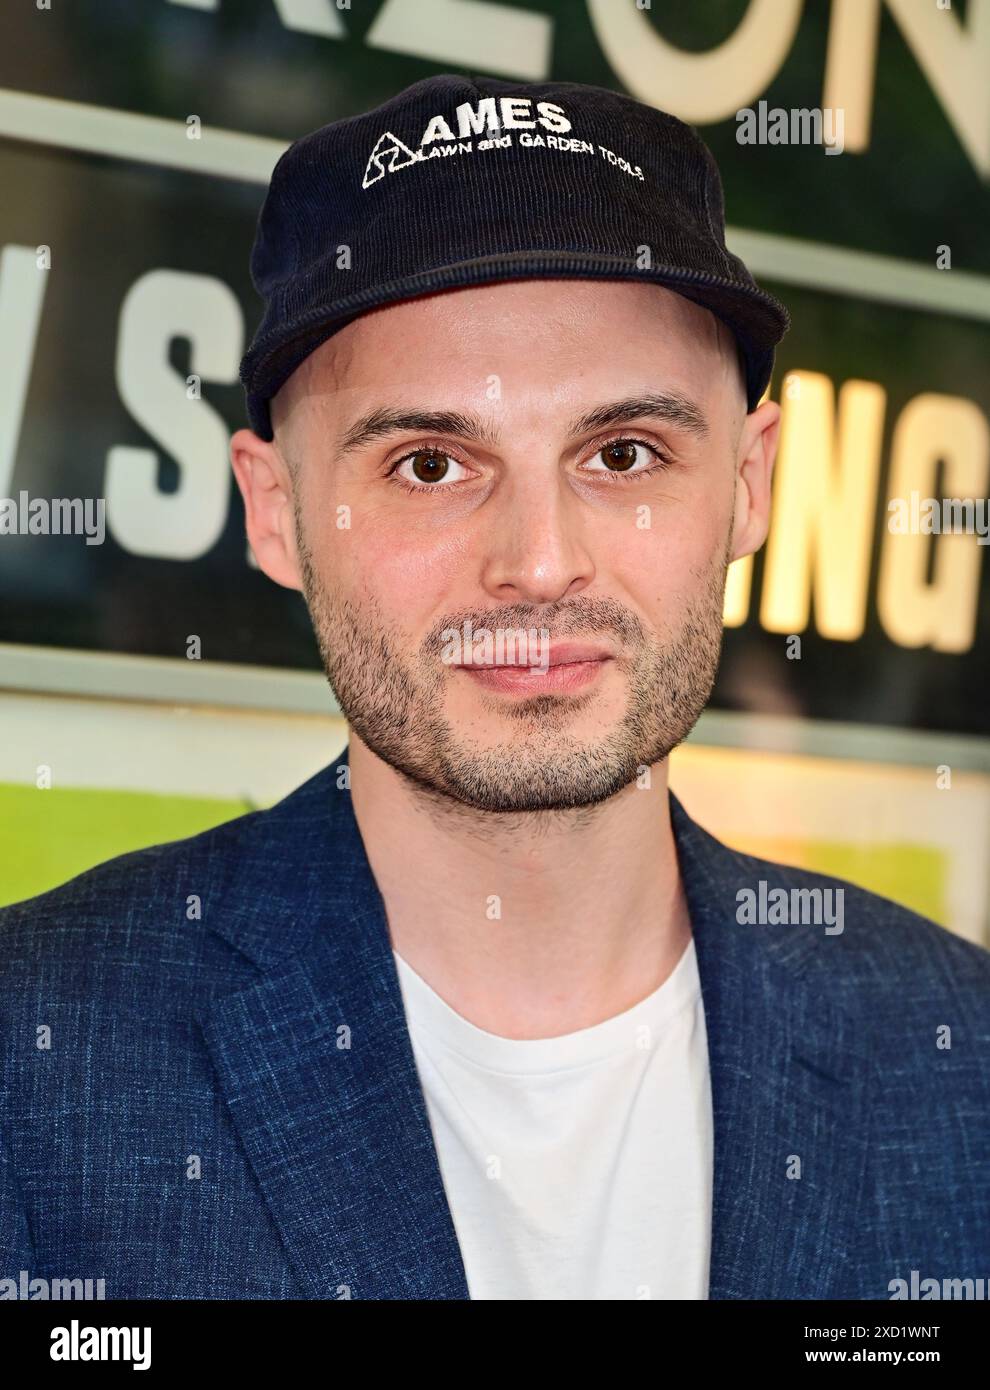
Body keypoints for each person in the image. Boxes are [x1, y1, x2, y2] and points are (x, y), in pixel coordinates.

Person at [2, 74, 988, 1303]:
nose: (537, 563)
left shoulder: (959, 1059)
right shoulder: (35, 1060)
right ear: (275, 512)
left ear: (749, 484)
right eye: (429, 462)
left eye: (624, 453)